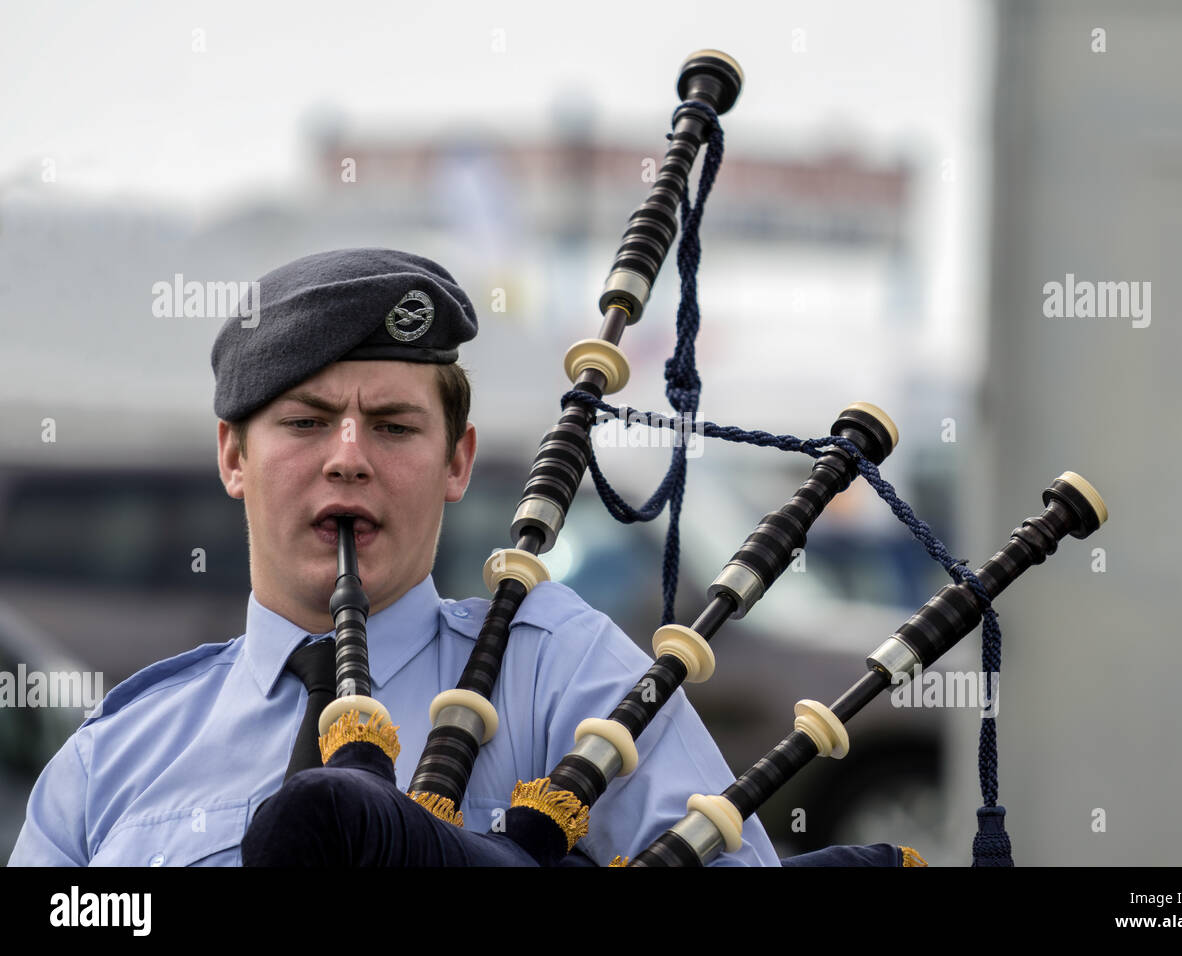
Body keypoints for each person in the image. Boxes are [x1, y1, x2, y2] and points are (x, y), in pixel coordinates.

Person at [7, 248, 780, 867]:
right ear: (233, 455)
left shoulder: (564, 678)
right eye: (307, 423)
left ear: (458, 462)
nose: (348, 459)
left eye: (393, 426)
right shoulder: (114, 754)